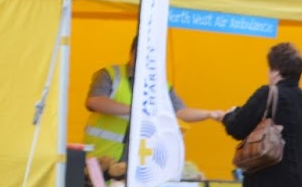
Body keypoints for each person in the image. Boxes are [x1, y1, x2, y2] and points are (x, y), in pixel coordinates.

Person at [221, 41, 302, 187]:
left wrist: (228, 115)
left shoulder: (268, 93)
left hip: (276, 185)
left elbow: (237, 127)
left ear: (275, 70)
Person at [84, 37, 223, 175]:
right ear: (132, 53)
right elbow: (95, 101)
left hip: (140, 163)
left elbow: (181, 112)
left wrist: (209, 114)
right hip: (103, 159)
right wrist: (136, 110)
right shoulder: (110, 74)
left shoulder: (161, 85)